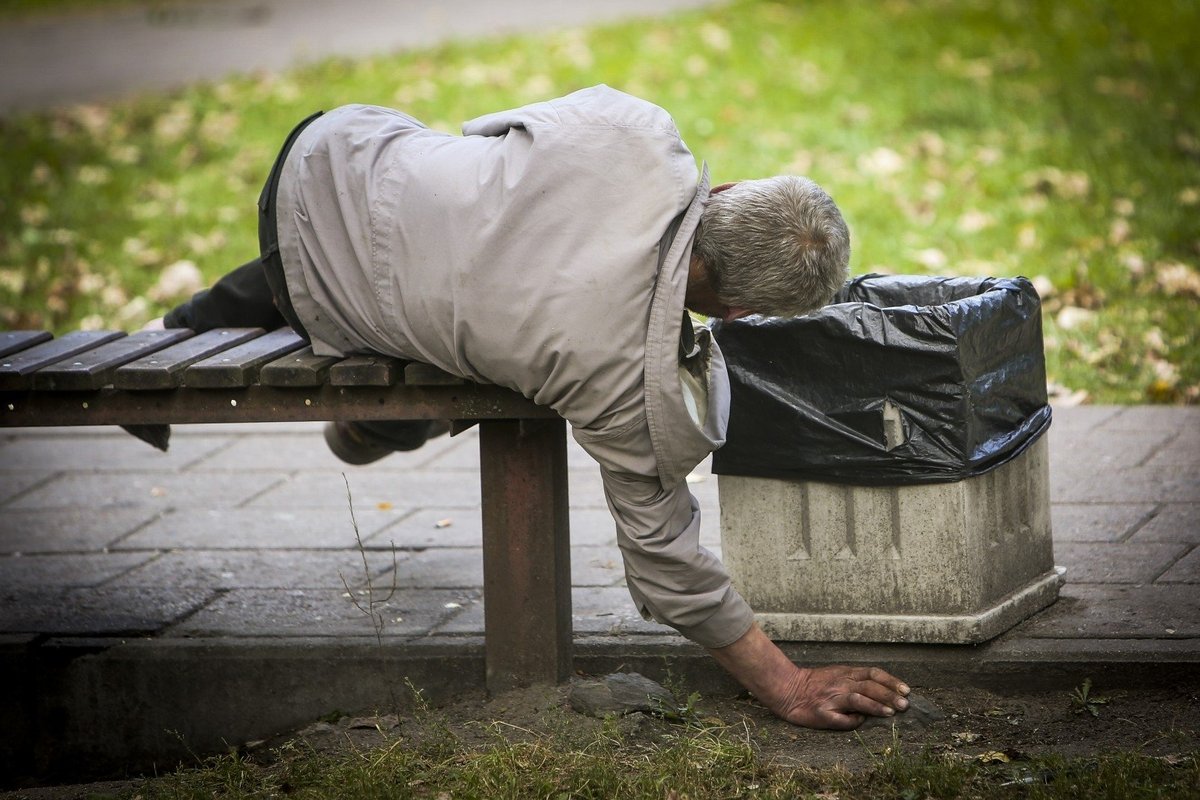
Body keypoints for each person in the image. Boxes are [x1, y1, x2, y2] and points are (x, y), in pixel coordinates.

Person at [154, 85, 911, 729]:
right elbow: (666, 564)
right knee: (490, 347)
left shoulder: (633, 127)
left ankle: (201, 330)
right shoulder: (625, 385)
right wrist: (786, 683)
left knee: (458, 270)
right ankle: (371, 421)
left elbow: (489, 133)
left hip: (330, 149)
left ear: (722, 193)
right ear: (740, 311)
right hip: (327, 294)